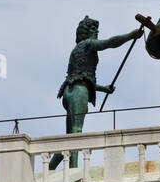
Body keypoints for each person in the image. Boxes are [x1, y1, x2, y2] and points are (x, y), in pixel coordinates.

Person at [49, 17, 143, 170]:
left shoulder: (76, 50)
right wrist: (131, 36)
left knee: (70, 136)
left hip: (69, 90)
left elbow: (84, 77)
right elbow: (110, 43)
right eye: (93, 29)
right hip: (79, 91)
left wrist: (104, 89)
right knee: (77, 131)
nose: (97, 31)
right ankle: (73, 169)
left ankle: (50, 167)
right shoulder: (88, 44)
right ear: (86, 32)